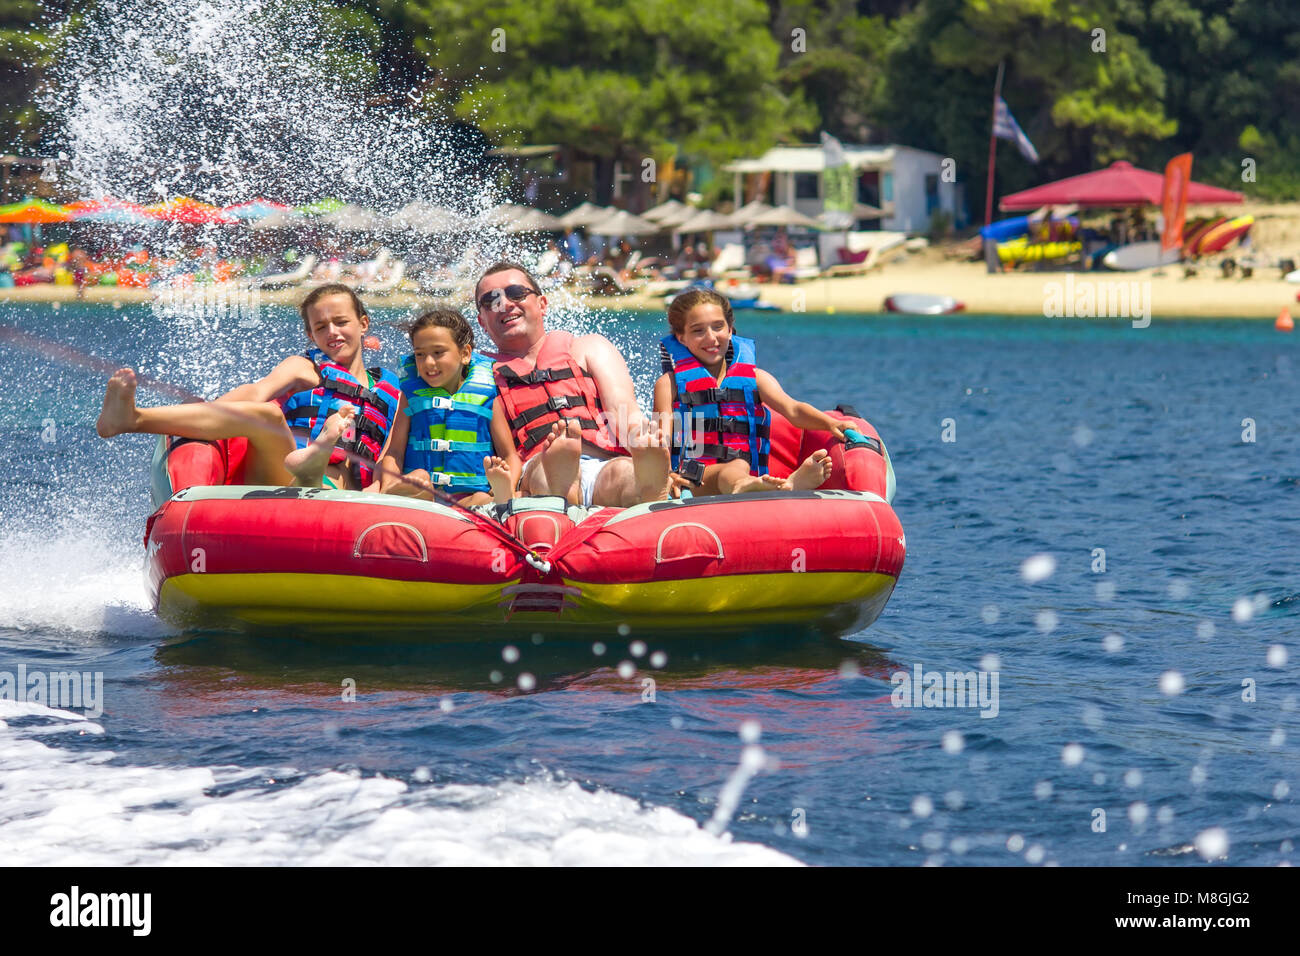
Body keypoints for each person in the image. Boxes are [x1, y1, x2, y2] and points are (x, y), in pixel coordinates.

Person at [96, 283, 401, 491]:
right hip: (284, 476)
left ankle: (317, 467)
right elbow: (255, 393)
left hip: (352, 494)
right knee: (266, 414)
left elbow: (391, 452)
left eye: (341, 322)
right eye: (321, 327)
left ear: (363, 324)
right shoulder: (306, 367)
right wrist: (210, 422)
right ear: (310, 335)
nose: (332, 332)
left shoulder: (392, 391)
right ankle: (133, 419)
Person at [475, 261, 669, 507]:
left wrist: (641, 439)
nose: (505, 304)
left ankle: (649, 488)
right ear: (482, 321)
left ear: (542, 304)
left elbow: (624, 413)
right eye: (491, 300)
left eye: (516, 293)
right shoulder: (480, 374)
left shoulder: (589, 347)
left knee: (625, 475)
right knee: (545, 474)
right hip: (537, 465)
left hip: (605, 462)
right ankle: (563, 490)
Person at [652, 287, 847, 496]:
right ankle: (757, 486)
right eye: (698, 331)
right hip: (690, 479)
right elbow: (661, 439)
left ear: (729, 329)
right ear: (681, 338)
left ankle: (779, 486)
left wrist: (831, 424)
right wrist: (666, 476)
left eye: (718, 327)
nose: (711, 338)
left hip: (746, 472)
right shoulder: (668, 384)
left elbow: (793, 409)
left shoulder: (755, 378)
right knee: (734, 467)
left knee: (738, 465)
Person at [377, 308, 518, 506]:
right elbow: (395, 453)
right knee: (419, 478)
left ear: (465, 354)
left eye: (438, 353)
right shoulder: (411, 396)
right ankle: (404, 493)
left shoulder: (485, 395)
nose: (428, 362)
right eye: (420, 354)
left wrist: (507, 483)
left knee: (482, 499)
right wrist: (389, 484)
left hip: (469, 496)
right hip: (426, 494)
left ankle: (502, 496)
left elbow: (509, 455)